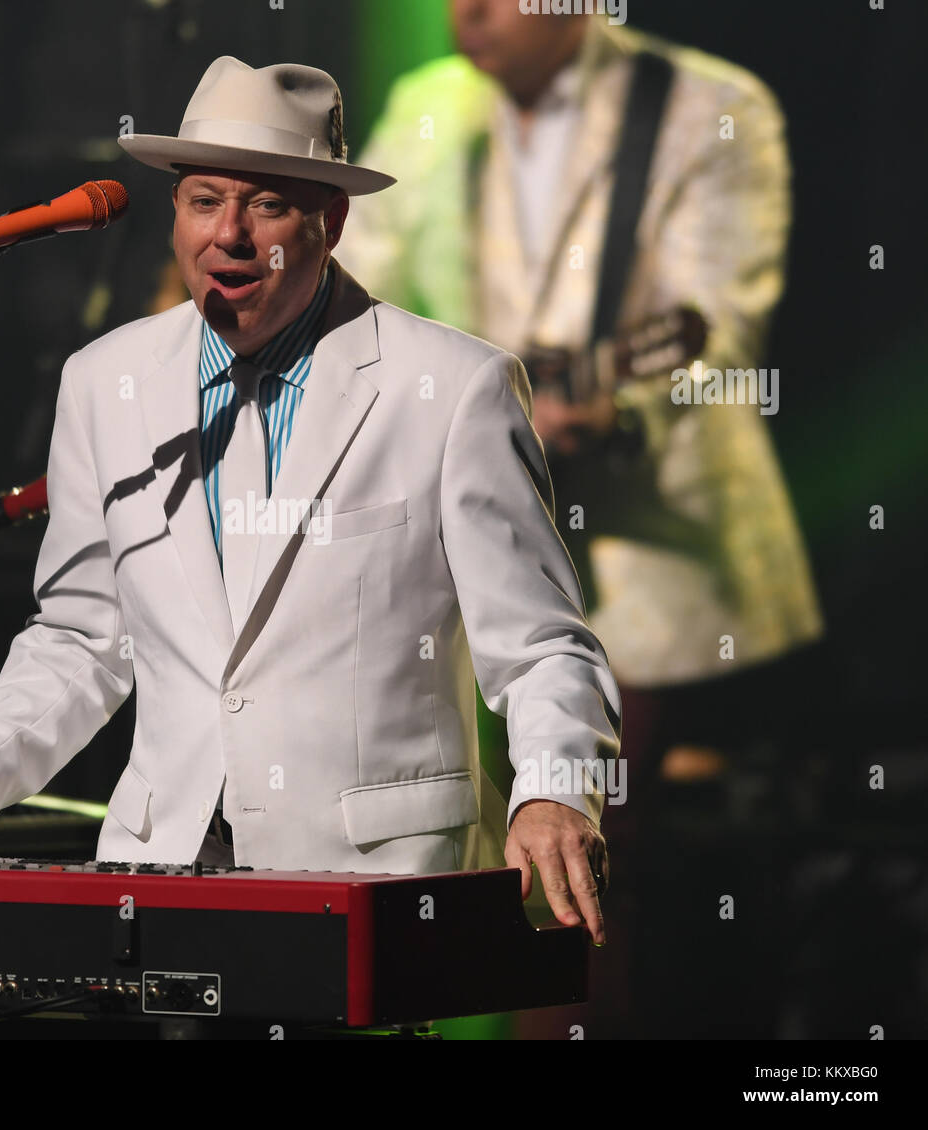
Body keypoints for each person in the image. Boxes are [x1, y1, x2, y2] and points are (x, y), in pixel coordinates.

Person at [0, 55, 620, 944]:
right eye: (202, 200)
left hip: (379, 890)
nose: (227, 233)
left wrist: (553, 792)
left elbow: (540, 646)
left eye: (266, 204)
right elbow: (83, 635)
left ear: (330, 220)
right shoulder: (105, 382)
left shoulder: (452, 386)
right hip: (158, 879)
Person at [333, 0, 823, 1034]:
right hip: (467, 536)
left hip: (654, 545)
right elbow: (358, 277)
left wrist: (612, 410)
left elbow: (716, 328)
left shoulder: (711, 105)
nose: (465, 8)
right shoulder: (429, 104)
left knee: (583, 844)